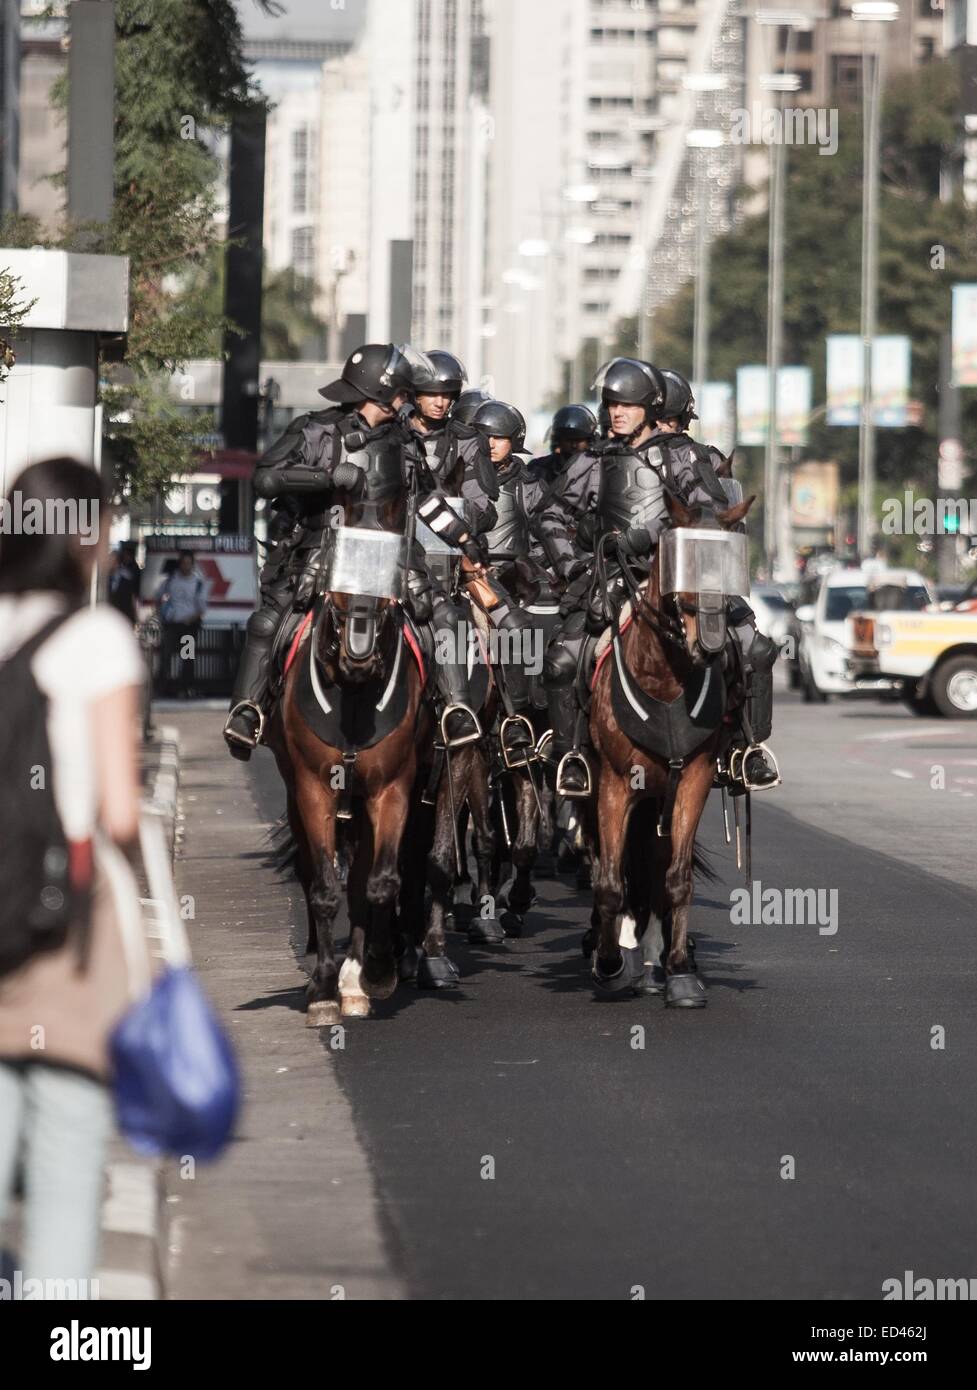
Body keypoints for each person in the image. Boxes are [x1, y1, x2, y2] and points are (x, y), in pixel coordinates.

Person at [0, 457, 145, 1293]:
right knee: (63, 1155)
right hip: (63, 921)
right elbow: (119, 815)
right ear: (84, 536)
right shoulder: (96, 638)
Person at [223, 344, 492, 757]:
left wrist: (461, 537)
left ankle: (454, 711)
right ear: (379, 393)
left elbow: (426, 501)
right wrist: (327, 476)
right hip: (322, 551)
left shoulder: (403, 441)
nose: (407, 401)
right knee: (268, 621)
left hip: (393, 557)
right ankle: (248, 710)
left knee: (444, 615)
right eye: (402, 393)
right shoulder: (314, 429)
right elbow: (266, 478)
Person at [534, 358, 778, 796]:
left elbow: (710, 511)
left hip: (681, 578)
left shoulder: (683, 455)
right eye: (611, 405)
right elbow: (551, 515)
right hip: (614, 580)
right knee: (562, 660)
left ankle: (745, 749)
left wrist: (647, 535)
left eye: (626, 405)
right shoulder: (593, 459)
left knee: (753, 647)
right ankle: (571, 756)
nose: (616, 413)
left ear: (649, 407)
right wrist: (575, 565)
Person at [156, 550, 206, 698]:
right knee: (166, 656)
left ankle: (185, 688)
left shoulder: (197, 583)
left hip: (188, 626)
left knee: (187, 658)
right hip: (172, 625)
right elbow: (158, 597)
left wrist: (190, 619)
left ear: (192, 565)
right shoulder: (171, 580)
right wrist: (163, 613)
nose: (186, 566)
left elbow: (201, 609)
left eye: (189, 563)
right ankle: (163, 688)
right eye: (184, 563)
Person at [526, 404, 598, 492]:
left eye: (579, 440)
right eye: (568, 440)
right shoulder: (538, 468)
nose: (574, 445)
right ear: (559, 440)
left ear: (589, 440)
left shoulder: (598, 470)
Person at [106, 542, 141, 626]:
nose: (111, 564)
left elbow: (133, 596)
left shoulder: (127, 577)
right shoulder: (104, 579)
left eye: (113, 561)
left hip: (123, 617)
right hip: (108, 617)